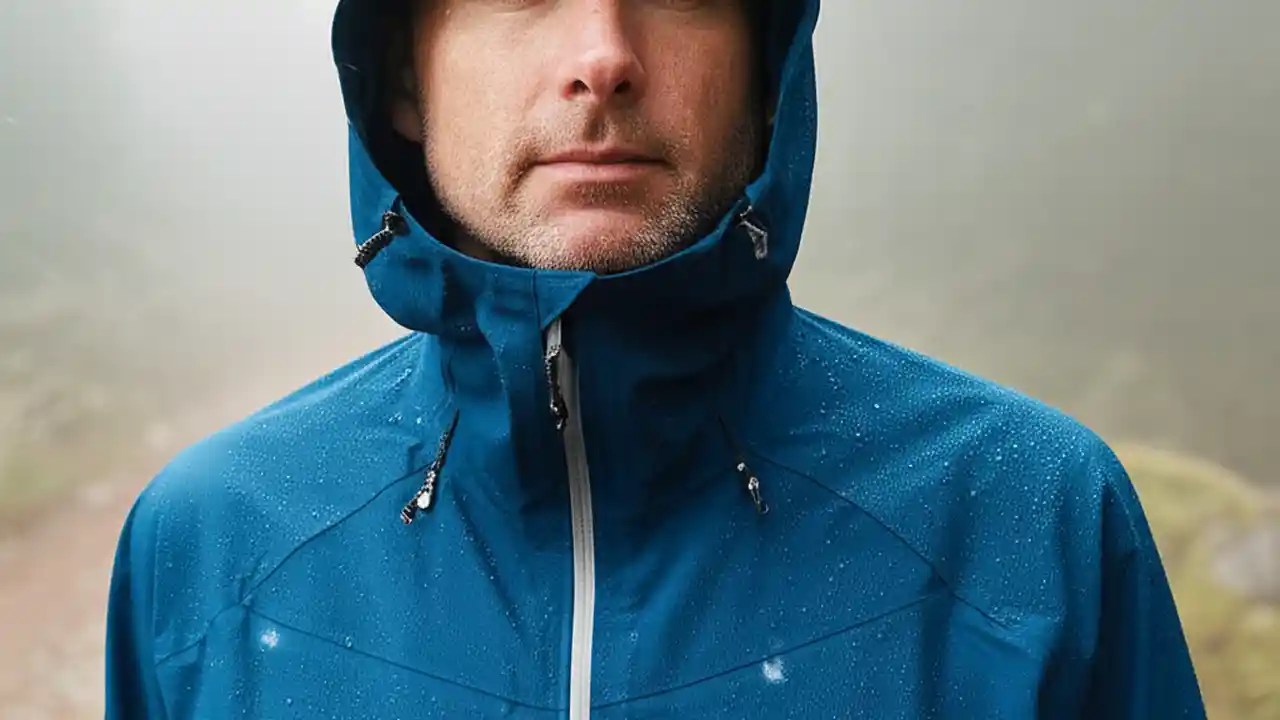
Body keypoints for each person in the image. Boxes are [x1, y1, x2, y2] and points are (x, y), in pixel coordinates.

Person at [105, 0, 1206, 717]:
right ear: (402, 76)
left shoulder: (1030, 515)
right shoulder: (207, 543)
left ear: (767, 70)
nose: (603, 57)